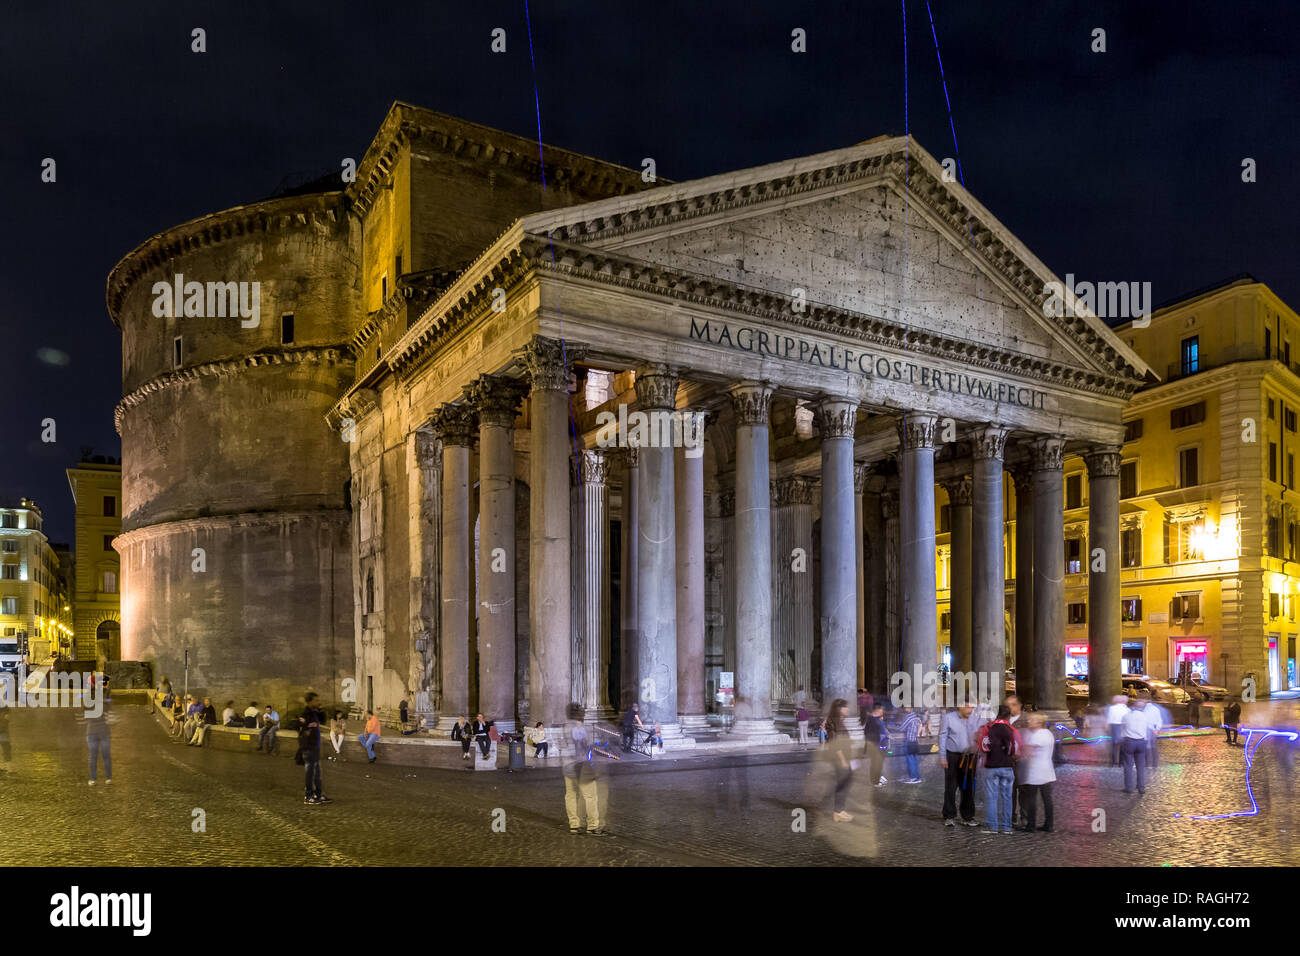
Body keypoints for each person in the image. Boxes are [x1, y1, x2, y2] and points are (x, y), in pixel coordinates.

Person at [977, 705, 1020, 834]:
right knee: (1007, 798)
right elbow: (1016, 749)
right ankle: (1007, 827)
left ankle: (993, 827)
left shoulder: (988, 727)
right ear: (1009, 716)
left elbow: (983, 747)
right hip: (1007, 766)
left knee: (991, 797)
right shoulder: (1012, 729)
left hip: (991, 766)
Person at [563, 703, 603, 835]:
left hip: (568, 766)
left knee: (571, 795)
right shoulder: (580, 727)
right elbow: (588, 745)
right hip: (582, 765)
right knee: (590, 796)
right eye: (582, 712)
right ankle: (592, 825)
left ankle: (574, 824)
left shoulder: (565, 727)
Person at [939, 701, 980, 826]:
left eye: (972, 706)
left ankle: (967, 816)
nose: (970, 709)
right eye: (967, 706)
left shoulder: (975, 718)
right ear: (960, 706)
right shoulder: (948, 718)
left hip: (970, 757)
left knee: (968, 787)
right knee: (951, 786)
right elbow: (943, 736)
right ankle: (949, 815)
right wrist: (942, 756)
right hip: (953, 756)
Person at [1018, 715, 1056, 832]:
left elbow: (1027, 751)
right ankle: (1049, 825)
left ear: (1039, 722)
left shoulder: (1038, 735)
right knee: (1047, 799)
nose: (1028, 721)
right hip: (1047, 770)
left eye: (1032, 719)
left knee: (1031, 799)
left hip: (1035, 770)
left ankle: (1031, 825)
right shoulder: (1048, 733)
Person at [825, 698, 855, 822]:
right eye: (845, 707)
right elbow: (834, 744)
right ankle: (838, 812)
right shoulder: (835, 722)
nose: (847, 709)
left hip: (846, 757)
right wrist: (843, 760)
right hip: (840, 759)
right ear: (838, 709)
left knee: (846, 784)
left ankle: (840, 810)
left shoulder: (840, 721)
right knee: (842, 785)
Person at [298, 692, 330, 805]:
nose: (318, 702)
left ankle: (318, 794)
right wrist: (304, 749)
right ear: (310, 701)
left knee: (317, 773)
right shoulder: (305, 715)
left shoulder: (314, 713)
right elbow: (302, 733)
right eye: (316, 700)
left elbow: (323, 720)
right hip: (308, 748)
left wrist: (320, 709)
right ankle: (308, 796)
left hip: (315, 747)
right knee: (309, 772)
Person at [1119, 699, 1149, 794]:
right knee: (1140, 766)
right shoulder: (1145, 716)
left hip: (1129, 741)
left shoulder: (1126, 716)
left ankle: (1129, 787)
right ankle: (1141, 787)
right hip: (1141, 742)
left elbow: (1122, 728)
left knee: (1128, 765)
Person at [85, 700, 112, 786]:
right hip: (104, 731)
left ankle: (93, 779)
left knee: (93, 756)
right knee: (106, 756)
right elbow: (109, 708)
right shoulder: (105, 702)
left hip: (91, 731)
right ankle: (108, 778)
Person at [863, 702, 888, 787]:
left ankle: (878, 777)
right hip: (875, 747)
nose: (883, 711)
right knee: (876, 764)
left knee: (879, 763)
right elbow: (868, 734)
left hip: (880, 746)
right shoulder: (871, 720)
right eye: (882, 710)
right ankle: (875, 781)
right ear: (877, 710)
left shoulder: (877, 719)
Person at [899, 705, 924, 784]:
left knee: (910, 760)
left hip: (909, 741)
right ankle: (916, 777)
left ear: (911, 708)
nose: (905, 709)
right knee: (914, 760)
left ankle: (913, 778)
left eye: (906, 707)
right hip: (914, 741)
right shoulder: (916, 717)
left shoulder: (909, 717)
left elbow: (901, 728)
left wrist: (898, 725)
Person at [1105, 694, 1128, 766]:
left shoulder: (1112, 708)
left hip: (1114, 727)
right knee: (1123, 745)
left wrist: (1107, 728)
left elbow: (1109, 719)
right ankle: (1121, 762)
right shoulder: (1127, 709)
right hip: (1124, 727)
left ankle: (1113, 761)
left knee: (1113, 745)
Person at [1144, 698, 1165, 769]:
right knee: (1153, 748)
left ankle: (1148, 764)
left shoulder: (1144, 709)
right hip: (1152, 730)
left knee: (1148, 748)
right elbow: (1159, 720)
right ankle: (1154, 764)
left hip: (1147, 730)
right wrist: (1157, 729)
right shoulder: (1156, 709)